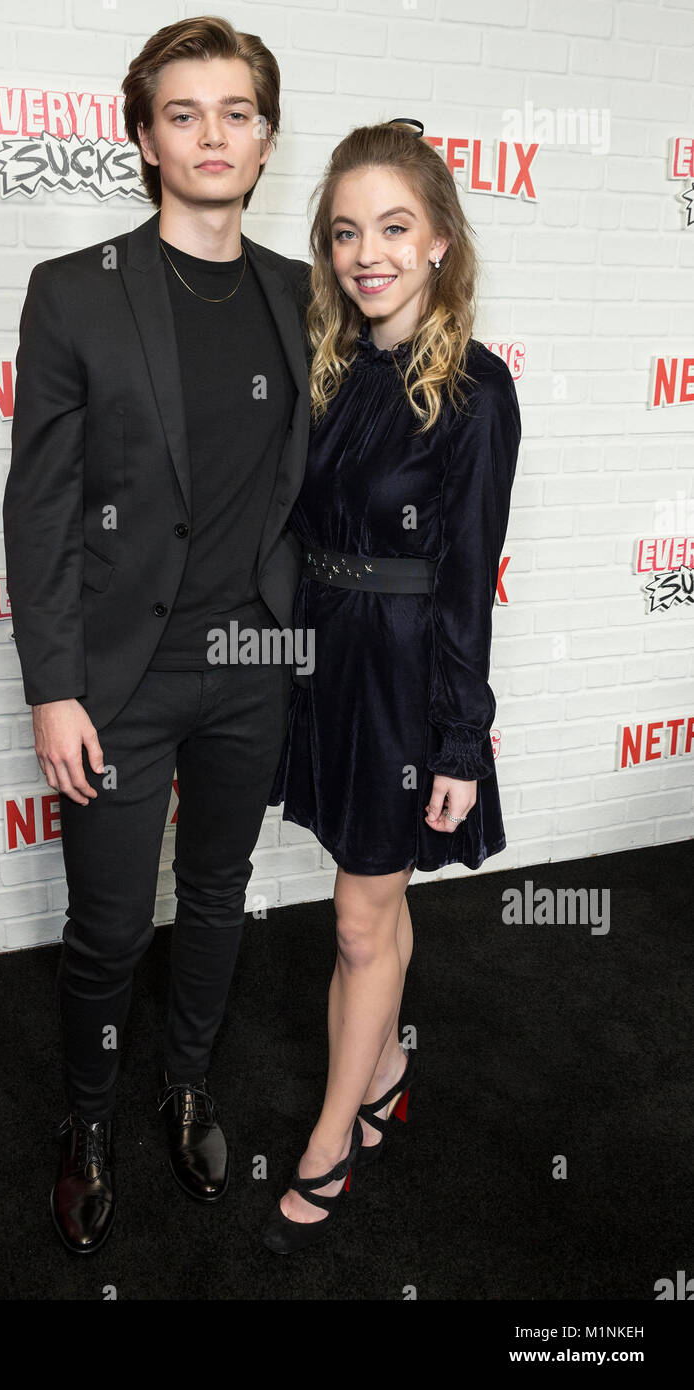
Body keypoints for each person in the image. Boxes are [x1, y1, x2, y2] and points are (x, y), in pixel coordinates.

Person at [2, 15, 311, 1254]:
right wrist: (52, 686)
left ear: (266, 135)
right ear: (144, 137)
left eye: (235, 111)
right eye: (183, 113)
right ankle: (86, 1122)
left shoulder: (303, 294)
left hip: (255, 667)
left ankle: (186, 1086)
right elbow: (42, 505)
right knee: (109, 926)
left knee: (221, 893)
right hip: (118, 683)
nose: (212, 134)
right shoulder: (75, 292)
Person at [262, 119, 522, 1253]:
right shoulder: (331, 365)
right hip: (325, 659)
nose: (365, 250)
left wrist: (460, 740)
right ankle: (389, 1069)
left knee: (358, 921)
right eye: (343, 231)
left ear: (439, 241)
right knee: (374, 898)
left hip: (403, 682)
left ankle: (330, 1141)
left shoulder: (473, 388)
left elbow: (465, 578)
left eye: (392, 226)